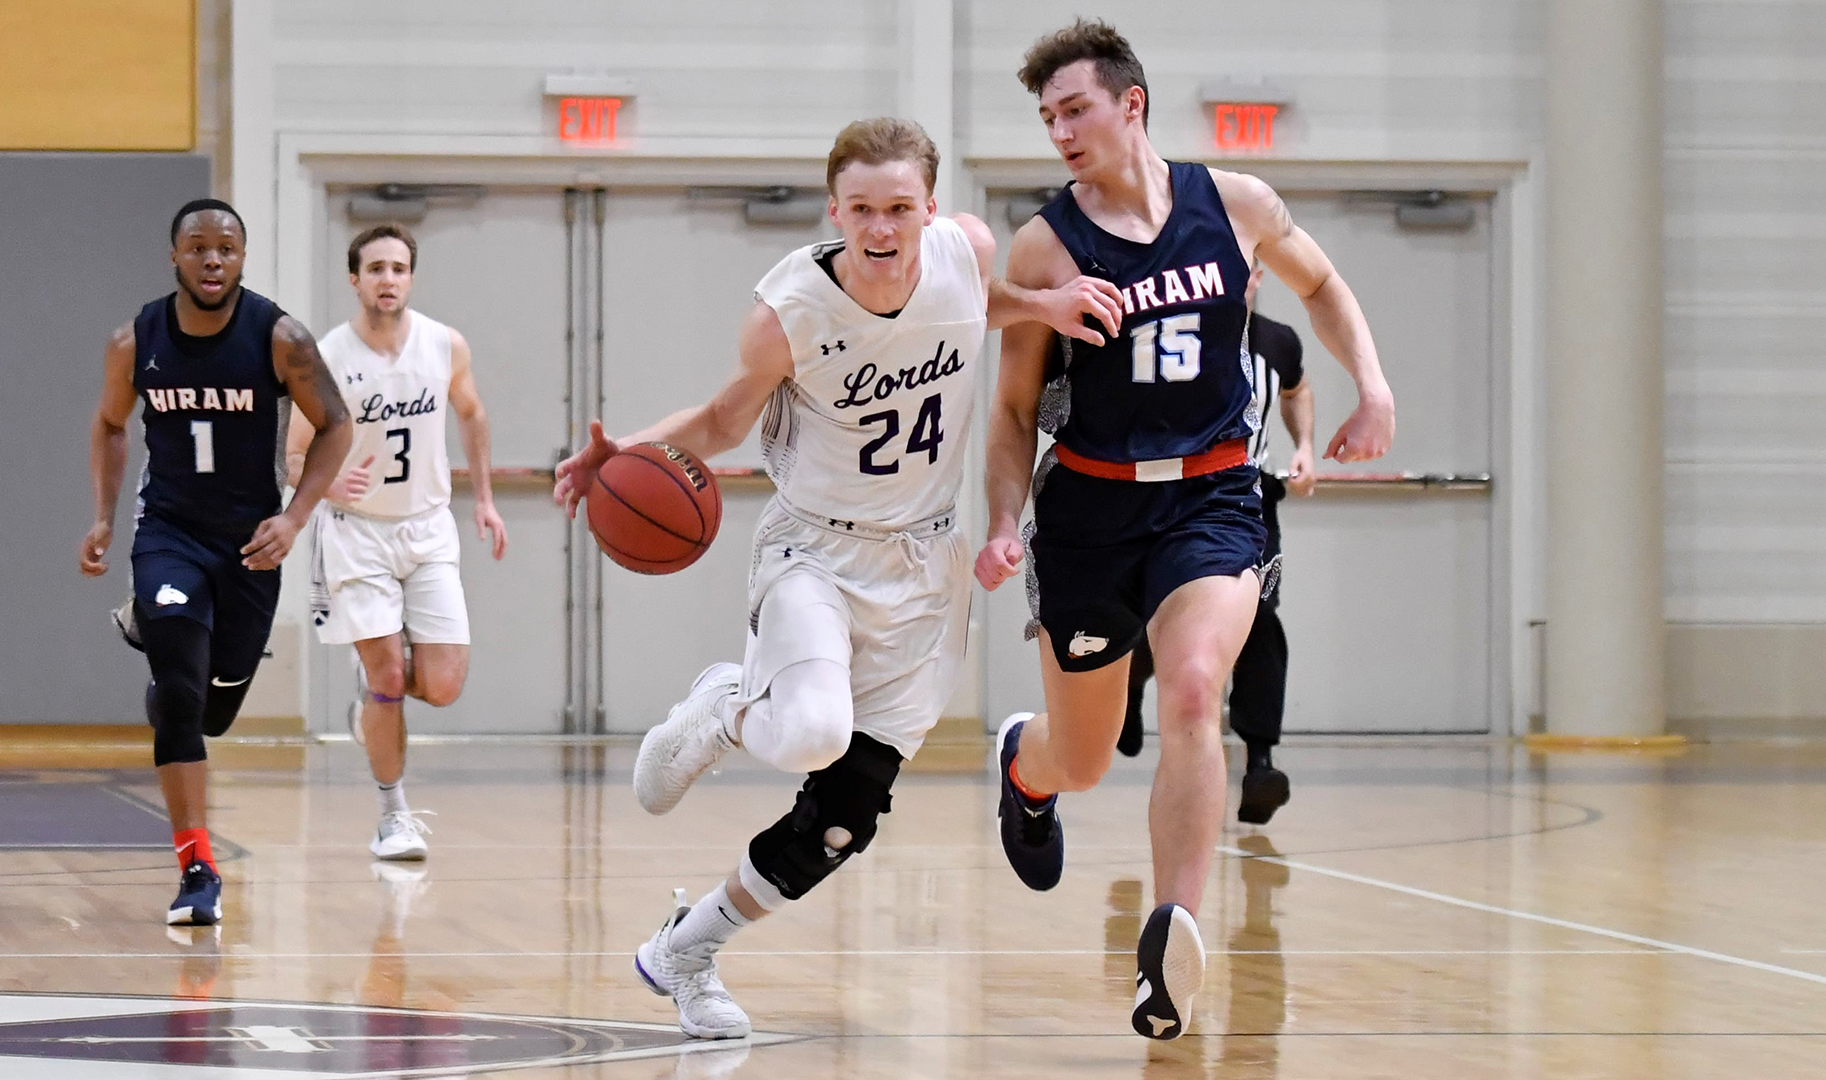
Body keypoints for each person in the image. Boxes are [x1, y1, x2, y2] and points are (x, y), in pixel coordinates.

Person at [553, 118, 1118, 1039]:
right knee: (811, 728)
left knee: (843, 821)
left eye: (900, 207)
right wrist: (627, 455)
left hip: (928, 566)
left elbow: (980, 296)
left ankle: (686, 952)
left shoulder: (964, 251)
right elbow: (726, 422)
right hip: (814, 552)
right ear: (835, 211)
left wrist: (1042, 309)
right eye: (863, 210)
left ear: (931, 208)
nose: (883, 227)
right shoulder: (788, 311)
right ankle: (730, 706)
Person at [977, 20, 1395, 1040]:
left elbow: (1324, 286)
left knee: (1198, 689)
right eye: (1047, 118)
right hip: (1089, 507)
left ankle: (1172, 936)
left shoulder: (1235, 205)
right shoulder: (1046, 244)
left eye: (1075, 109)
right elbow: (1012, 406)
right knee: (1081, 756)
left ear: (1133, 103)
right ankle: (1026, 773)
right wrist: (999, 519)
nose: (1061, 131)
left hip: (1211, 497)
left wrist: (1371, 383)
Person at [80, 199, 352, 925]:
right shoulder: (135, 339)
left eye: (225, 249)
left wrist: (294, 519)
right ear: (174, 256)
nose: (211, 260)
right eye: (197, 248)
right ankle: (197, 868)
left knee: (216, 709)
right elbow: (110, 424)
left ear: (242, 258)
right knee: (177, 688)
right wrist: (105, 518)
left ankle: (180, 668)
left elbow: (337, 425)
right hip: (168, 532)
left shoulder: (278, 337)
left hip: (249, 543)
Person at [286, 224, 508, 862]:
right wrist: (330, 484)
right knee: (388, 676)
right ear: (353, 279)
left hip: (428, 528)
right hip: (357, 533)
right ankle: (393, 815)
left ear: (412, 277)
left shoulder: (445, 345)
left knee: (442, 685)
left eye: (399, 268)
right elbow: (293, 456)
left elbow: (471, 412)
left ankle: (374, 693)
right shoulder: (325, 358)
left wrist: (486, 500)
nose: (388, 279)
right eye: (376, 268)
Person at [1118, 269, 1317, 830]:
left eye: (1248, 268)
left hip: (1250, 501)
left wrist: (1303, 445)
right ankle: (1129, 688)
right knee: (1159, 615)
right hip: (1169, 495)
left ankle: (1260, 760)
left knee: (1259, 620)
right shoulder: (1169, 336)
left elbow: (1298, 389)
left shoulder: (1277, 340)